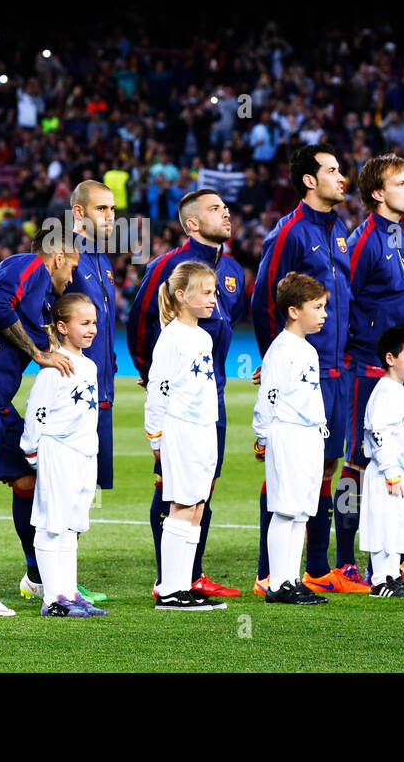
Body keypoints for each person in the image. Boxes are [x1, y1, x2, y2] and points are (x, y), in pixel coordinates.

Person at [128, 188, 246, 599]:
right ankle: (169, 579)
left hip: (209, 397)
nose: (226, 213)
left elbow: (233, 322)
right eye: (216, 209)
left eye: (226, 207)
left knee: (202, 487)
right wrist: (151, 373)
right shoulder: (168, 267)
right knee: (172, 488)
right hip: (180, 402)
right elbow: (141, 321)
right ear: (192, 222)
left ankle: (192, 576)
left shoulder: (232, 269)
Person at [0, 229, 79, 616]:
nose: (71, 278)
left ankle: (36, 577)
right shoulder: (28, 266)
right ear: (57, 256)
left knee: (28, 478)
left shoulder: (39, 293)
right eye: (72, 267)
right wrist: (38, 354)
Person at [251, 145, 353, 594]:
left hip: (335, 369)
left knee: (325, 469)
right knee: (284, 475)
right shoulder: (288, 232)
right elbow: (262, 299)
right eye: (332, 170)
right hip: (304, 371)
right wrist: (276, 355)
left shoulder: (341, 228)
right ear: (310, 180)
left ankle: (311, 568)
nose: (341, 177)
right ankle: (267, 573)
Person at [331, 153, 404, 592]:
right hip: (366, 368)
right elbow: (345, 301)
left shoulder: (403, 238)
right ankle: (346, 560)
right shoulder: (363, 240)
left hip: (401, 370)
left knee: (399, 458)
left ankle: (395, 557)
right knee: (358, 462)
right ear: (379, 194)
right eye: (401, 183)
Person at [19, 292, 107, 617]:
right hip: (57, 450)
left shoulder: (90, 365)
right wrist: (33, 454)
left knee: (71, 525)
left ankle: (69, 592)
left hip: (85, 453)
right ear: (62, 326)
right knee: (51, 524)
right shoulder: (51, 368)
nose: (92, 329)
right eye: (84, 323)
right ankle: (52, 599)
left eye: (94, 322)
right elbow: (36, 414)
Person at [146, 261, 227, 611]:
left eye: (213, 292)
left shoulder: (203, 336)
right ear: (182, 295)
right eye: (206, 292)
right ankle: (169, 589)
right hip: (180, 430)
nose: (213, 299)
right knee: (180, 506)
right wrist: (156, 440)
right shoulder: (172, 337)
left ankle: (184, 585)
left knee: (197, 506)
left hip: (204, 428)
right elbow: (157, 391)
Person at [252, 272, 330, 606]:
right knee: (285, 510)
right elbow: (268, 396)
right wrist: (263, 436)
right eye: (317, 307)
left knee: (300, 512)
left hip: (309, 434)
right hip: (288, 433)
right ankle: (277, 583)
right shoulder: (282, 349)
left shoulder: (306, 348)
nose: (324, 313)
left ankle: (291, 578)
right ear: (294, 311)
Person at [60, 179, 119, 603]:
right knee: (65, 487)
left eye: (113, 209)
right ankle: (46, 576)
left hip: (101, 388)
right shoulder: (66, 255)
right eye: (102, 209)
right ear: (79, 213)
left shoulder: (102, 259)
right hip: (73, 388)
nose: (111, 217)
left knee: (82, 488)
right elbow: (49, 313)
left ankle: (61, 576)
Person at [360, 324, 404, 599]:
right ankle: (380, 579)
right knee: (383, 524)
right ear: (390, 358)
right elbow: (379, 433)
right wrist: (391, 471)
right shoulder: (385, 391)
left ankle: (394, 574)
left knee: (399, 524)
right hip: (388, 473)